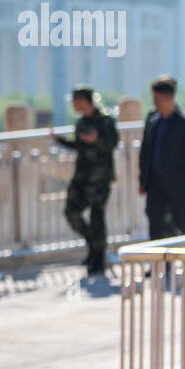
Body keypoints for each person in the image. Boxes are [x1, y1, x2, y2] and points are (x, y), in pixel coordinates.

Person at [50, 84, 118, 277]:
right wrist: (60, 141)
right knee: (71, 212)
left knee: (97, 217)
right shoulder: (81, 122)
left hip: (100, 179)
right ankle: (92, 244)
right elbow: (79, 145)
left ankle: (98, 257)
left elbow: (113, 143)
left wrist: (96, 140)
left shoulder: (105, 121)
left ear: (84, 100)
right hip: (82, 177)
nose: (73, 104)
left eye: (75, 101)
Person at [138, 74, 185, 240]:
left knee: (181, 221)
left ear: (168, 98)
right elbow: (146, 151)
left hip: (177, 182)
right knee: (154, 222)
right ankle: (158, 264)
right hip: (154, 182)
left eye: (157, 99)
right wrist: (143, 180)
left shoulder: (184, 123)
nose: (154, 102)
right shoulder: (152, 120)